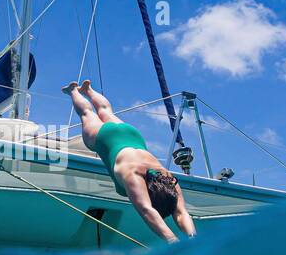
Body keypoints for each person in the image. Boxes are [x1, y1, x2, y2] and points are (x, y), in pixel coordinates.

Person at [64, 80, 196, 243]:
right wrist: (172, 241)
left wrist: (192, 239)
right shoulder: (133, 176)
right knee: (87, 113)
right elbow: (146, 210)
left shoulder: (166, 177)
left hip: (132, 136)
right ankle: (73, 91)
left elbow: (181, 212)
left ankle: (88, 90)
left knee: (106, 111)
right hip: (105, 138)